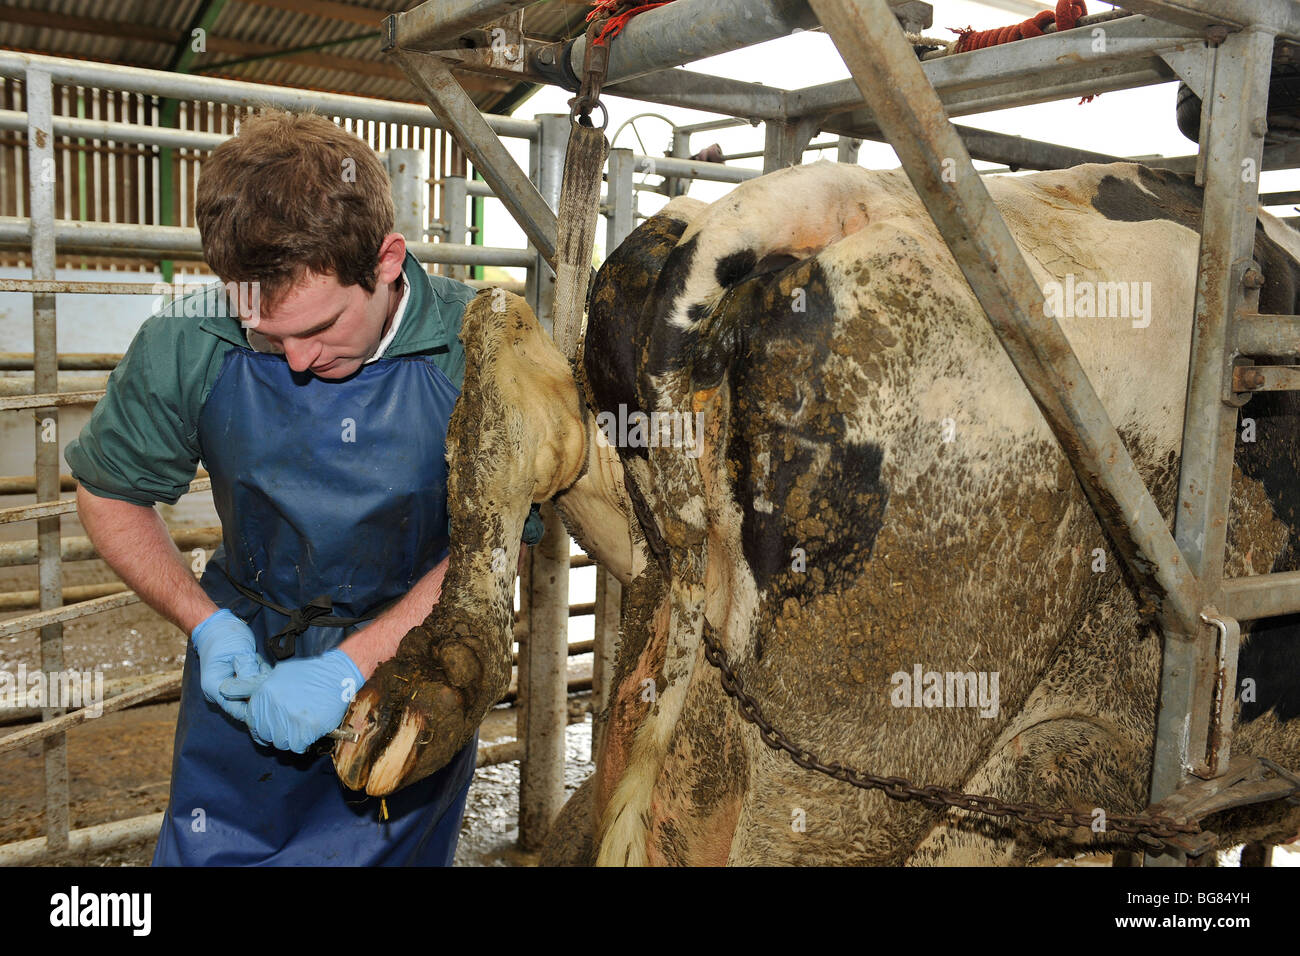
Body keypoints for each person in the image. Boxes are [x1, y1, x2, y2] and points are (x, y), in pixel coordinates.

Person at [65, 109, 539, 866]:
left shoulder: (482, 349)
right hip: (243, 663)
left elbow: (497, 545)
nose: (292, 361)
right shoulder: (190, 339)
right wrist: (206, 624)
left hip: (410, 671)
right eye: (265, 333)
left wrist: (356, 662)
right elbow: (111, 492)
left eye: (319, 328)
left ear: (387, 261)